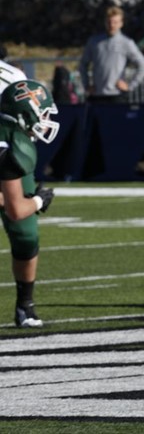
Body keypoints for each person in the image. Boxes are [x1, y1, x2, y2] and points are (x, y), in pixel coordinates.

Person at [0, 74, 58, 330]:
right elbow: (16, 209)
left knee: (25, 234)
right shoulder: (11, 150)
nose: (46, 121)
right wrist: (38, 201)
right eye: (42, 114)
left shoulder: (11, 76)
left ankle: (25, 304)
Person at [79, 6, 144, 103]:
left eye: (115, 22)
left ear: (121, 23)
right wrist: (86, 85)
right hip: (96, 95)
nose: (112, 25)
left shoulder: (126, 43)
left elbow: (143, 66)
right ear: (105, 22)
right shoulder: (94, 42)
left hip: (117, 95)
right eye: (109, 22)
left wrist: (130, 86)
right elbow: (83, 64)